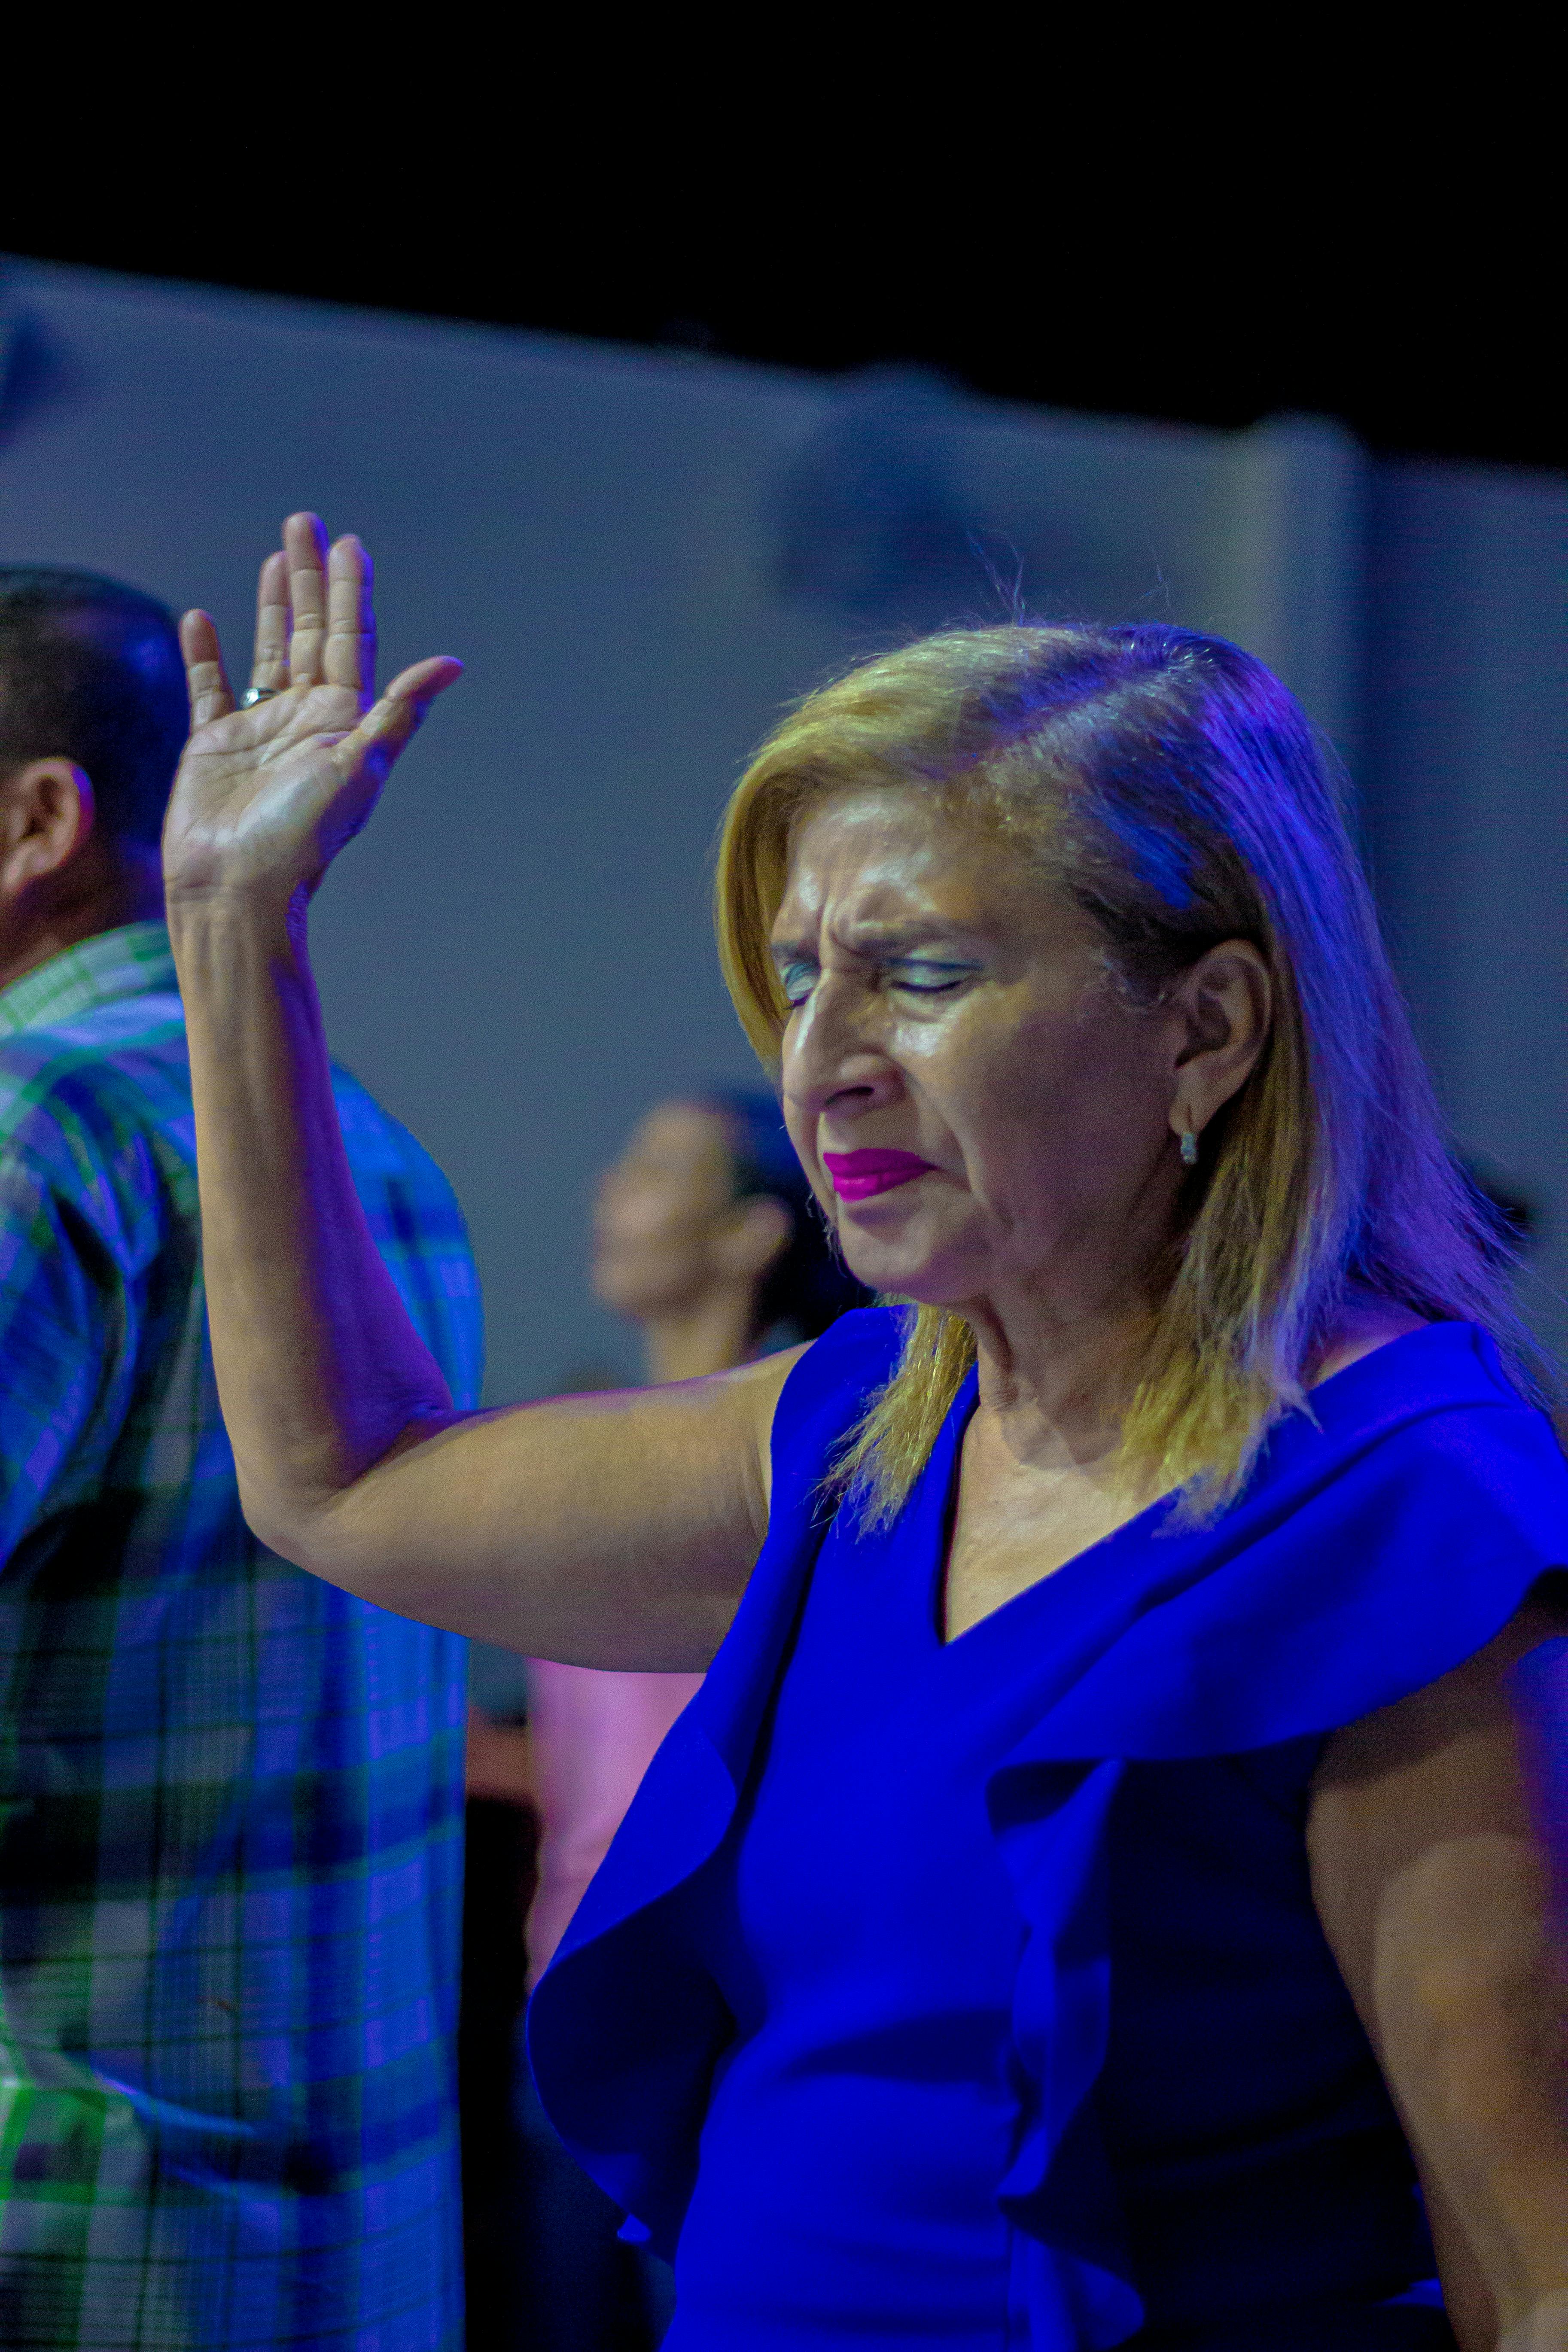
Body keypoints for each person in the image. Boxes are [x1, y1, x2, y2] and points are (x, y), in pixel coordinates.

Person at [161, 514, 1568, 2352]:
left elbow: (1533, 2258)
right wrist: (228, 922)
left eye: (917, 974)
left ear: (1205, 1028)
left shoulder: (1402, 1513)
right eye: (801, 972)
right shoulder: (867, 1430)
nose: (821, 1055)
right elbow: (341, 1482)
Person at [0, 567, 483, 2350]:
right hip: (329, 2221)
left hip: (71, 2220)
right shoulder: (375, 1144)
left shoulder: (37, 1121)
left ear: (35, 822)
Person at [505, 1088, 868, 2350]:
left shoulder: (811, 1459)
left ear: (750, 1232)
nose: (611, 1194)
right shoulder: (581, 1433)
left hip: (731, 2013)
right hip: (565, 1992)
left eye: (656, 1170)